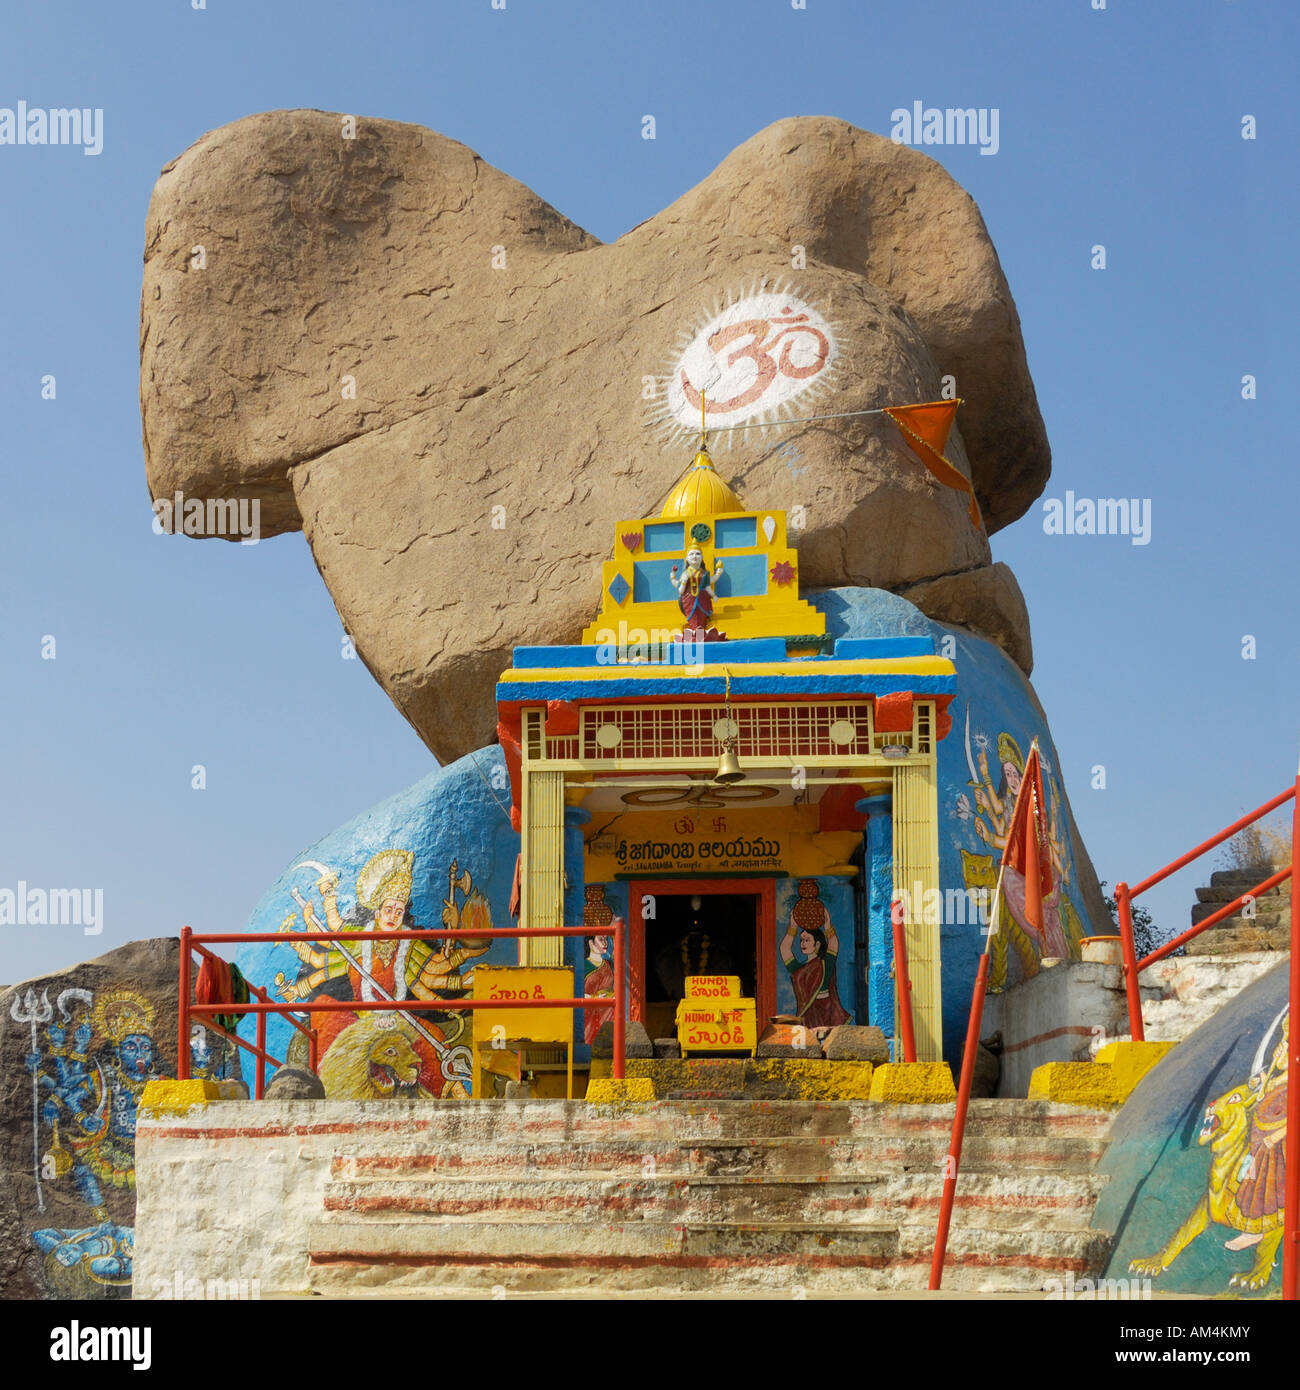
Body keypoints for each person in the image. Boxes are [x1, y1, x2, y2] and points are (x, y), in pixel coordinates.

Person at [780, 880, 850, 1029]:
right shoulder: (799, 969)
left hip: (826, 1010)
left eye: (807, 940)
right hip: (808, 1013)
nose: (802, 944)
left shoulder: (825, 964)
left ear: (817, 944)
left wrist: (827, 925)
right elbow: (785, 949)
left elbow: (834, 944)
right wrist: (792, 928)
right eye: (801, 940)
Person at [670, 547, 723, 635]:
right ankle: (695, 633)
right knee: (693, 620)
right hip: (689, 600)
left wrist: (714, 595)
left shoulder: (704, 573)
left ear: (702, 557)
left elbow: (707, 586)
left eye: (697, 554)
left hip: (702, 600)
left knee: (701, 621)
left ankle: (699, 634)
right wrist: (680, 580)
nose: (694, 556)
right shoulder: (685, 573)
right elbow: (680, 590)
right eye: (691, 554)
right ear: (687, 558)